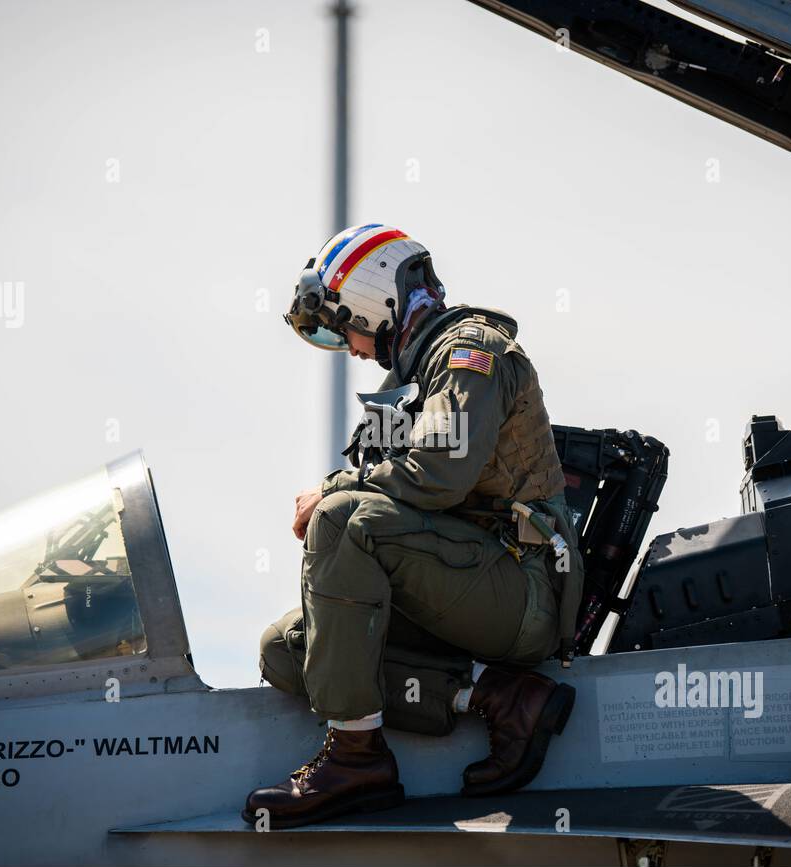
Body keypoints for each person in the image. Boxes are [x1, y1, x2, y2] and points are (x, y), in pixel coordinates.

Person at [245, 223, 583, 829]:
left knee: (344, 518)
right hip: (461, 588)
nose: (351, 346)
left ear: (375, 299)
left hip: (523, 589)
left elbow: (437, 474)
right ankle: (494, 696)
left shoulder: (469, 354)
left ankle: (355, 757)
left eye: (344, 323)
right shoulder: (409, 385)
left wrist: (329, 491)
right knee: (289, 650)